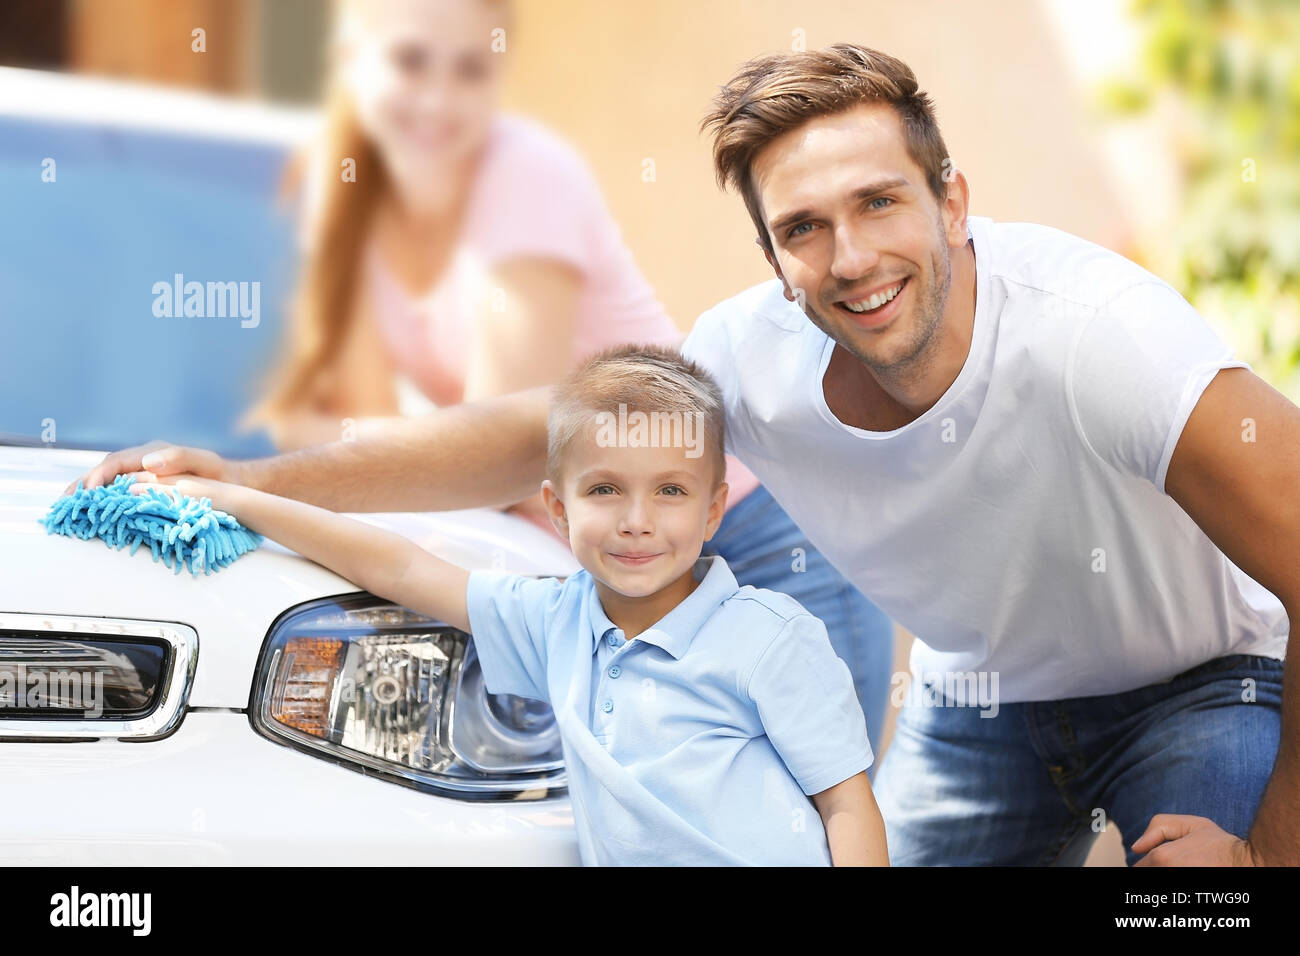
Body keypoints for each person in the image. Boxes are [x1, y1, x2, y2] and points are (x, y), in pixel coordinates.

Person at [75, 43, 1299, 867]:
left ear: (952, 200)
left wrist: (1266, 858)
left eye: (880, 203)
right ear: (772, 256)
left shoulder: (1100, 338)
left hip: (1201, 678)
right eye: (803, 229)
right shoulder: (751, 357)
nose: (852, 256)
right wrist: (247, 482)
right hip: (981, 693)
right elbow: (534, 428)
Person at [236, 0, 897, 758]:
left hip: (756, 545)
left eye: (471, 71)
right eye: (411, 62)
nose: (439, 100)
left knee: (795, 823)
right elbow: (345, 422)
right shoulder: (341, 188)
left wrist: (364, 461)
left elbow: (495, 441)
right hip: (622, 552)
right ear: (351, 57)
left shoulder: (525, 174)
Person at [131, 345, 889, 867]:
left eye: (670, 491)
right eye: (604, 490)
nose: (636, 520)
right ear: (557, 512)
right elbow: (398, 563)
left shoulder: (774, 637)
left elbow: (848, 807)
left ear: (715, 508)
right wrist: (235, 495)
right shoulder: (553, 621)